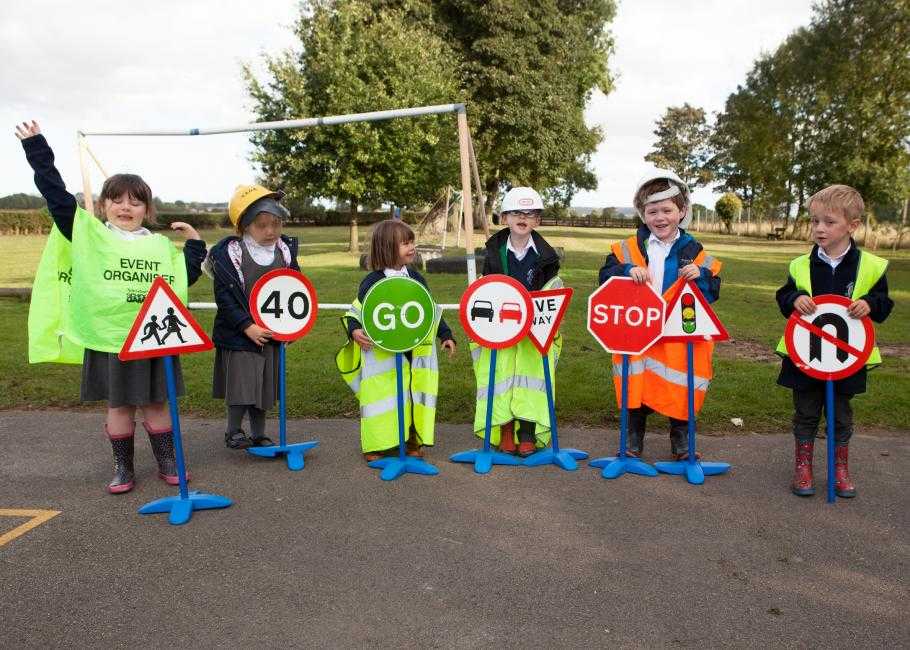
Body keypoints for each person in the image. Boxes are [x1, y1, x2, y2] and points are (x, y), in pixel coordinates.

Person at [16, 120, 206, 494]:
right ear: (103, 206)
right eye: (117, 200)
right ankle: (123, 468)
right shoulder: (91, 236)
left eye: (135, 202)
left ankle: (168, 460)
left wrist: (196, 245)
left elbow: (182, 279)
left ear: (146, 210)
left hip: (151, 340)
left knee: (156, 403)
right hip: (110, 340)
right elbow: (57, 197)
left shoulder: (159, 247)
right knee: (119, 407)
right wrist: (37, 149)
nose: (125, 207)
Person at [775, 184, 893, 498]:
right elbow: (784, 296)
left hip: (847, 359)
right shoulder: (800, 265)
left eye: (829, 222)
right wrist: (795, 297)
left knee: (840, 414)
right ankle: (803, 466)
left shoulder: (871, 266)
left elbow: (884, 303)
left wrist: (870, 303)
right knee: (806, 412)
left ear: (852, 226)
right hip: (806, 357)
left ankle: (839, 468)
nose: (819, 228)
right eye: (814, 221)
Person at [598, 170, 721, 459]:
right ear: (643, 214)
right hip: (637, 329)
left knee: (682, 384)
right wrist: (627, 270)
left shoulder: (694, 250)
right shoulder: (626, 249)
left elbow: (712, 289)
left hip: (679, 333)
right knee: (634, 383)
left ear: (682, 212)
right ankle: (632, 441)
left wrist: (699, 275)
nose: (660, 217)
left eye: (667, 210)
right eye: (652, 211)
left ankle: (681, 442)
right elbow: (604, 277)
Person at [337, 220, 456, 462]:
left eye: (412, 242)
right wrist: (354, 330)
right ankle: (377, 445)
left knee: (413, 397)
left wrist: (446, 335)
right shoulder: (372, 281)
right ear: (387, 248)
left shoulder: (416, 278)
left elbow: (430, 310)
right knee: (382, 402)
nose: (412, 247)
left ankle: (412, 441)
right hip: (384, 354)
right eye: (406, 243)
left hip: (414, 351)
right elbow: (357, 311)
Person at [204, 185, 298, 450]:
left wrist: (292, 327)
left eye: (276, 224)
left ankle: (259, 433)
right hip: (240, 334)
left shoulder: (285, 251)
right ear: (244, 226)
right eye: (262, 225)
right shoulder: (230, 255)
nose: (270, 232)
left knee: (264, 386)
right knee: (243, 385)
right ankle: (233, 430)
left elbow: (295, 289)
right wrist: (246, 326)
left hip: (271, 332)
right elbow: (225, 298)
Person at [474, 186, 562, 457]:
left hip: (535, 326)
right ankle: (505, 430)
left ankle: (527, 432)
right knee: (501, 377)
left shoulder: (547, 256)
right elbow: (483, 289)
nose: (522, 217)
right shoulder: (491, 253)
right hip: (500, 325)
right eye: (515, 212)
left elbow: (552, 290)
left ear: (538, 220)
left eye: (530, 213)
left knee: (529, 379)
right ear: (504, 218)